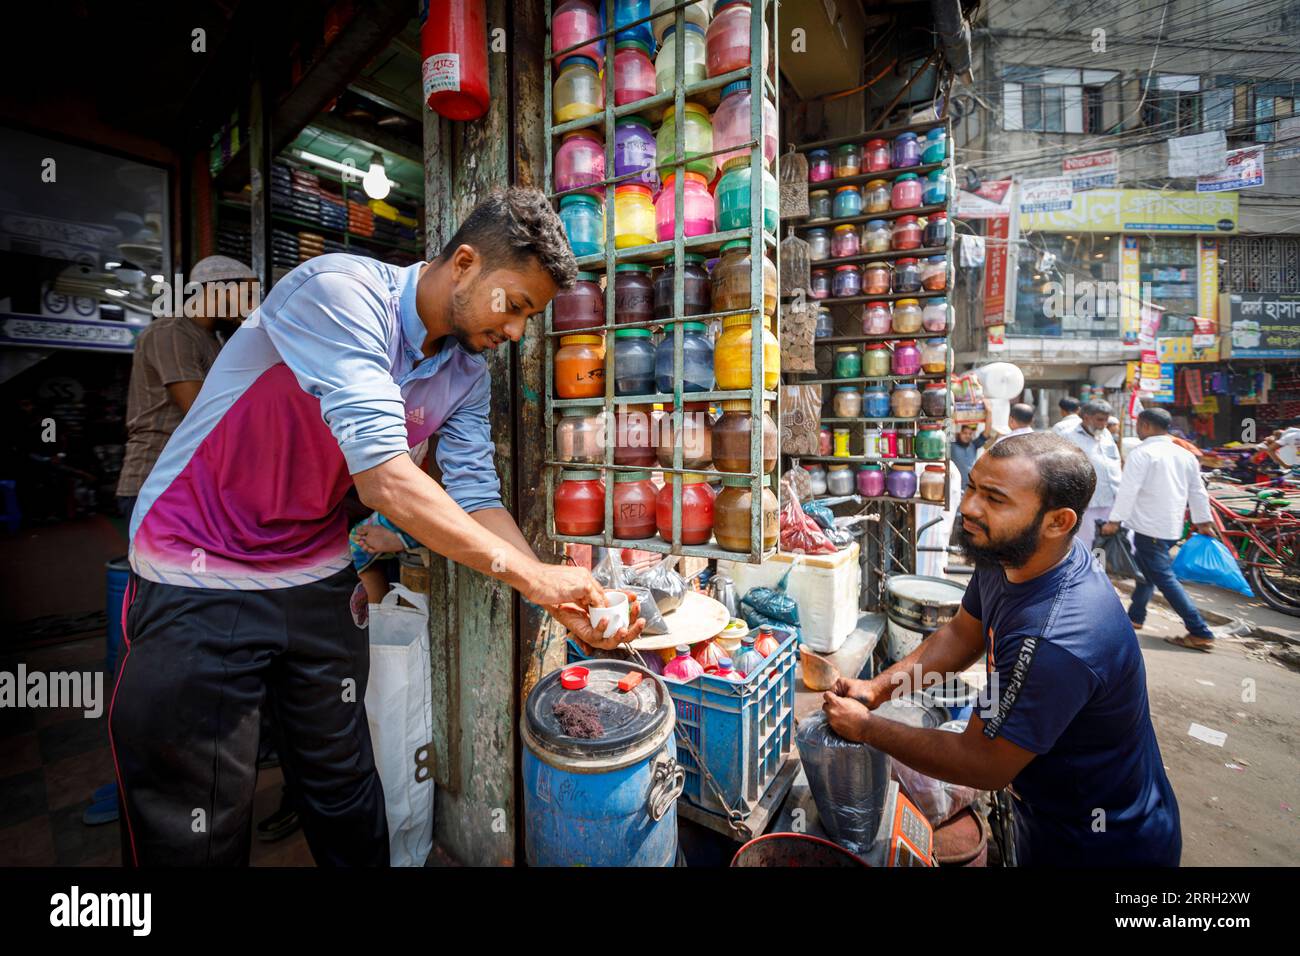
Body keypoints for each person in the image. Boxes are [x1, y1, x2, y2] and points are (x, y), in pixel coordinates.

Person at [110, 189, 643, 867]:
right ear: (465, 263)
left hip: (312, 569)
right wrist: (538, 579)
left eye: (530, 318)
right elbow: (385, 479)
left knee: (344, 787)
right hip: (198, 566)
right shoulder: (338, 293)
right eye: (516, 305)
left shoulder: (464, 374)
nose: (516, 333)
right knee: (198, 821)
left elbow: (477, 496)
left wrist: (558, 597)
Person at [823, 432, 1181, 866]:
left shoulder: (1055, 638)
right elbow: (962, 635)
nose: (970, 507)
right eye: (973, 487)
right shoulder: (1011, 553)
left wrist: (866, 728)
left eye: (994, 498)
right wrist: (876, 691)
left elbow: (982, 764)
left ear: (1058, 522)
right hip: (1040, 808)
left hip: (1101, 841)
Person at [115, 255, 257, 520]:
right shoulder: (170, 331)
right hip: (155, 482)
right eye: (247, 295)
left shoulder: (212, 339)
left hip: (189, 480)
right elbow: (200, 411)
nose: (252, 306)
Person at [1100, 408, 1216, 652]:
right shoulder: (1185, 454)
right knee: (1148, 572)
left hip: (1149, 527)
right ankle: (1136, 616)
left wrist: (1115, 521)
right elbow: (1198, 491)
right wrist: (1204, 522)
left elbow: (1128, 490)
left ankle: (1199, 630)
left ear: (1145, 425)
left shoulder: (1142, 453)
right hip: (1172, 527)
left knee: (1162, 577)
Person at [1058, 400, 1121, 549]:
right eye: (1100, 419)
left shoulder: (1105, 434)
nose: (1104, 424)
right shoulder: (1068, 436)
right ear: (1085, 417)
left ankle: (1101, 571)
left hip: (1111, 501)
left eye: (1106, 420)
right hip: (1087, 503)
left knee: (1108, 548)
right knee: (1085, 546)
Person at [950, 423, 985, 491]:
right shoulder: (952, 446)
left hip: (970, 488)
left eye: (970, 434)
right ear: (959, 433)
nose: (967, 436)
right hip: (955, 488)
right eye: (965, 433)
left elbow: (986, 434)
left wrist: (989, 413)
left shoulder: (973, 445)